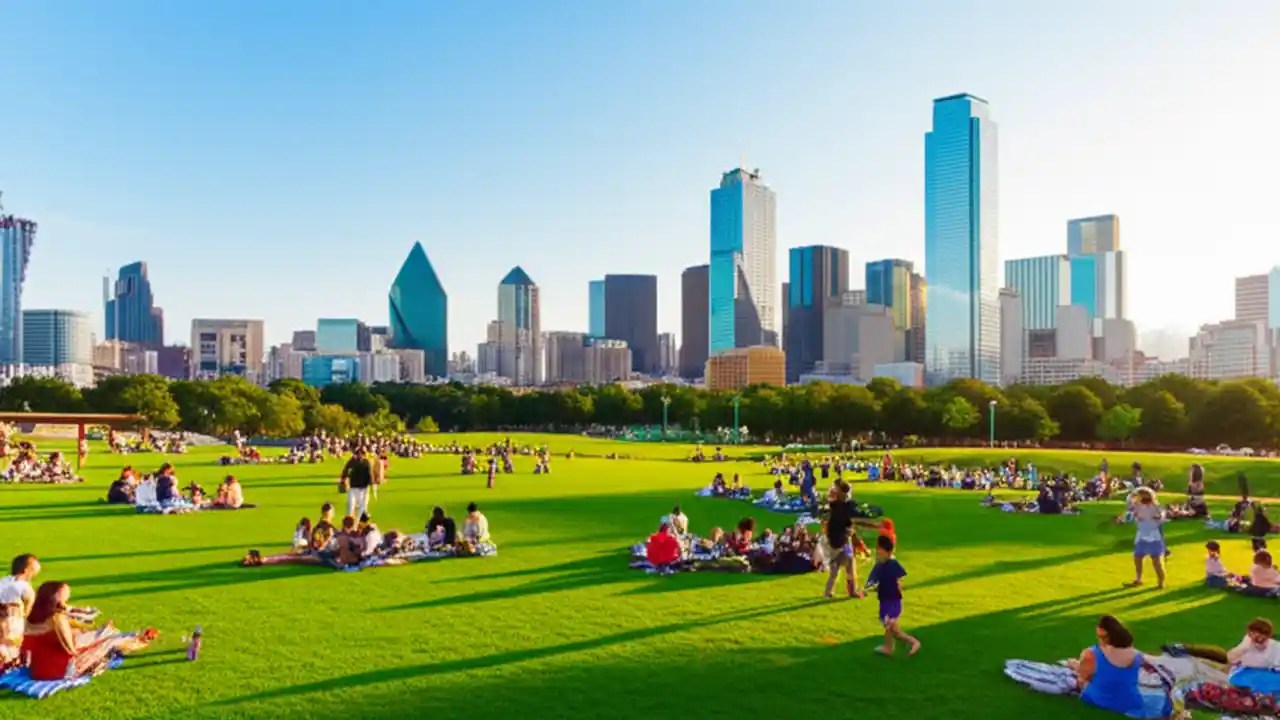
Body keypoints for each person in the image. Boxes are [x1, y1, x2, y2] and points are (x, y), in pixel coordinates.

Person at [1072, 616, 1156, 717]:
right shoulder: (1137, 654)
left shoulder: (1092, 653)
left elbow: (1083, 678)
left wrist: (1075, 665)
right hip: (1132, 702)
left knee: (1081, 681)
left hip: (1102, 700)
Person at [866, 535, 919, 656]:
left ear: (888, 552)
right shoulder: (878, 565)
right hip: (884, 601)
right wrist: (869, 587)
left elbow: (900, 578)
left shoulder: (893, 564)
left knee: (890, 625)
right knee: (893, 630)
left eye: (880, 551)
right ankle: (899, 645)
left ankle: (894, 646)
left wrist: (897, 585)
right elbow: (872, 580)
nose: (877, 553)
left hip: (894, 601)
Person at [823, 484, 863, 599]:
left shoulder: (834, 504)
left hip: (832, 540)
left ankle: (828, 592)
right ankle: (852, 591)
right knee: (850, 566)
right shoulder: (848, 506)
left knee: (835, 568)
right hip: (843, 540)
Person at [0, 554, 40, 663]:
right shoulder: (24, 586)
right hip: (10, 620)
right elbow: (29, 604)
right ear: (27, 570)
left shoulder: (4, 580)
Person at [1129, 488, 1166, 588]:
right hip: (1141, 536)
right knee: (1137, 558)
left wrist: (1159, 517)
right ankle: (1138, 579)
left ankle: (1161, 582)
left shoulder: (1156, 506)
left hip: (1153, 537)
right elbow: (1131, 509)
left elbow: (1162, 515)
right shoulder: (1137, 506)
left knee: (1156, 562)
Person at [341, 447, 373, 519]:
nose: (360, 455)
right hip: (353, 488)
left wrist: (371, 483)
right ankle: (348, 525)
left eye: (362, 453)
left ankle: (360, 525)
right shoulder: (352, 462)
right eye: (358, 453)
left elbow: (369, 474)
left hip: (364, 488)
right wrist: (344, 480)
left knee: (363, 510)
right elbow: (345, 471)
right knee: (350, 508)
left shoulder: (366, 462)